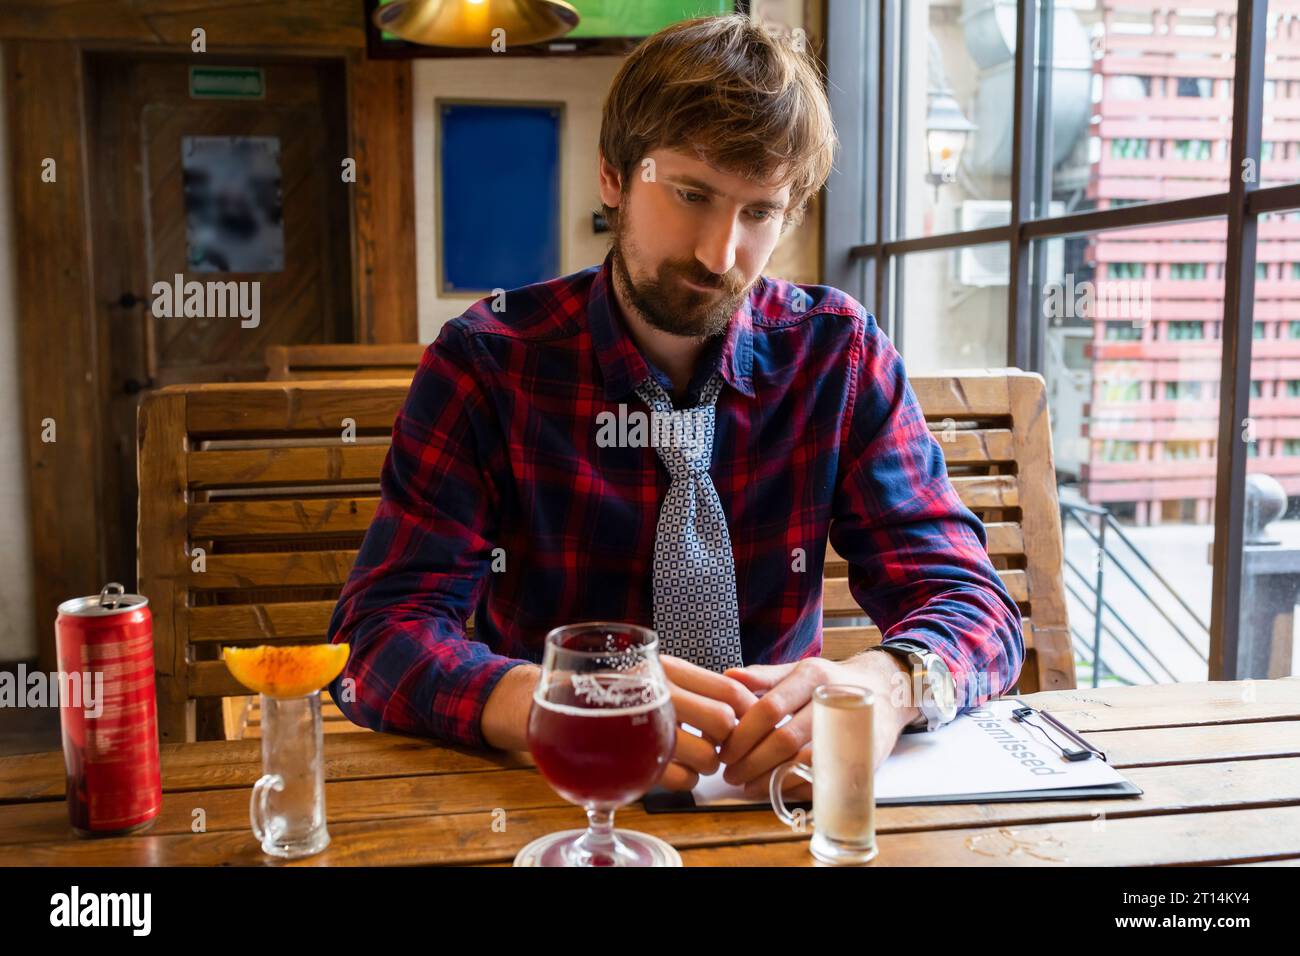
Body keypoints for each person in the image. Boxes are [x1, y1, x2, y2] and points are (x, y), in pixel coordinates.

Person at [327, 13, 1023, 801]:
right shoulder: (486, 364)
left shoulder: (838, 356)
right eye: (691, 194)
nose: (719, 254)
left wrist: (891, 684)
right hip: (558, 801)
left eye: (759, 212)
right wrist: (550, 702)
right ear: (615, 177)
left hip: (773, 806)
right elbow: (377, 637)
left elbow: (971, 601)